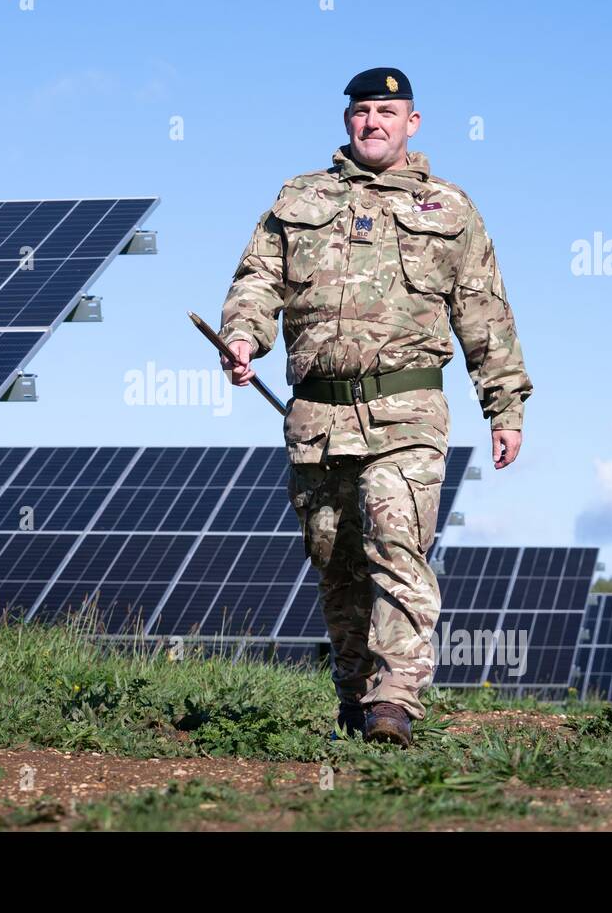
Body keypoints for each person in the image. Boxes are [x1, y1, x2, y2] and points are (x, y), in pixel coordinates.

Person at [217, 67, 532, 745]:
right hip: (317, 419)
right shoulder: (299, 198)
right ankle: (357, 698)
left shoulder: (449, 209)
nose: (373, 122)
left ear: (412, 122)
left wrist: (504, 407)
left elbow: (485, 313)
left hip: (407, 414)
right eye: (362, 111)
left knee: (397, 544)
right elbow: (257, 278)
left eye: (387, 111)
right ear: (346, 121)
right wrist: (243, 337)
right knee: (337, 560)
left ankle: (397, 697)